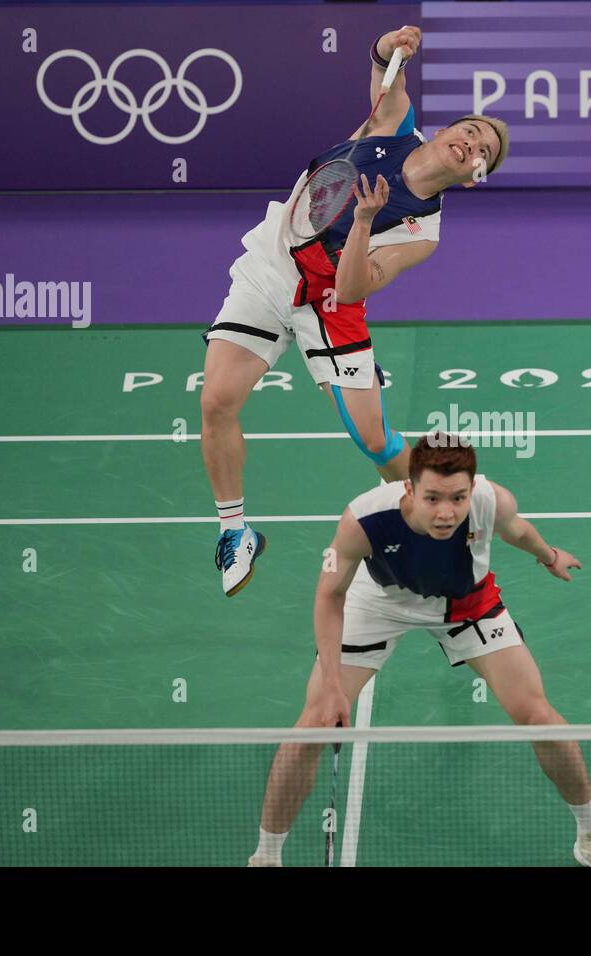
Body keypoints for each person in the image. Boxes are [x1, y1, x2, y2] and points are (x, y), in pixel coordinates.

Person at [201, 25, 510, 596]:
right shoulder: (393, 122)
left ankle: (441, 529)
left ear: (475, 177)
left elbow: (351, 291)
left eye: (483, 150)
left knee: (374, 442)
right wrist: (389, 45)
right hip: (274, 263)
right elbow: (382, 67)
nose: (471, 142)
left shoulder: (422, 231)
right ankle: (235, 530)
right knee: (217, 400)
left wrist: (366, 222)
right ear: (446, 130)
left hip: (330, 300)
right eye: (469, 130)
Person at [249, 433, 591, 867]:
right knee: (313, 725)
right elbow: (328, 595)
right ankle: (265, 857)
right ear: (409, 488)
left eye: (458, 497)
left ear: (472, 488)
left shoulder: (492, 501)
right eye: (432, 497)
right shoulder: (364, 519)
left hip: (464, 603)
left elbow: (518, 530)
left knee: (539, 716)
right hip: (380, 601)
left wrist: (549, 555)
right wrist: (334, 688)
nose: (446, 512)